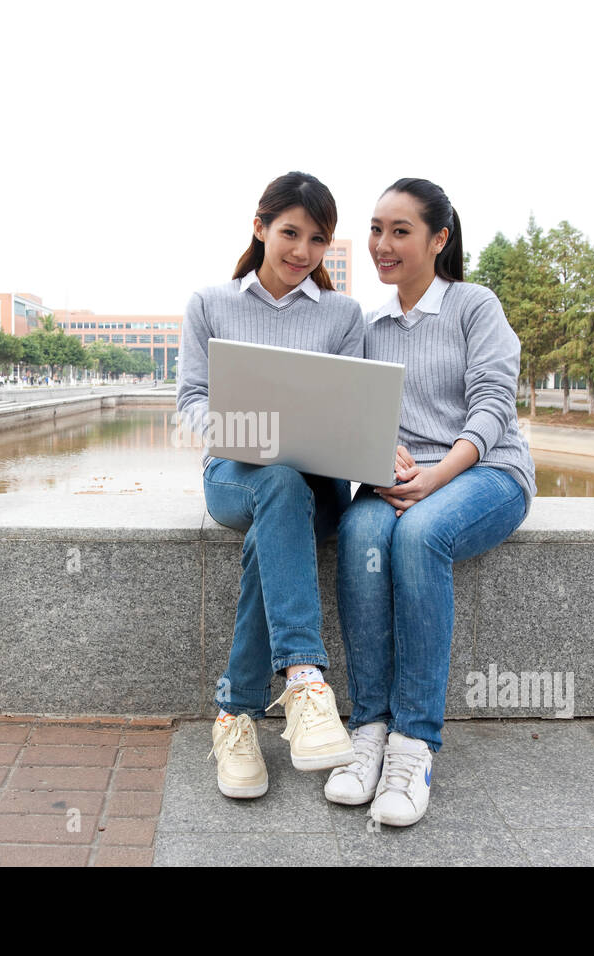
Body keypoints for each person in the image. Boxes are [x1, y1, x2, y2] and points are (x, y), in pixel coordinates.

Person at [326, 178, 536, 827]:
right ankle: (368, 730)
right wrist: (381, 455)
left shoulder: (474, 306)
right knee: (360, 535)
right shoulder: (368, 324)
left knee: (420, 536)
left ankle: (413, 743)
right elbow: (355, 411)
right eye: (375, 228)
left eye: (400, 230)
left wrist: (436, 477)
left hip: (483, 471)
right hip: (398, 478)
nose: (381, 244)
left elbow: (494, 407)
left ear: (438, 239)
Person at [177, 171, 364, 800]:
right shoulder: (210, 304)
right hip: (234, 475)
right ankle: (307, 684)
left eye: (317, 239)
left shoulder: (343, 316)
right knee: (275, 482)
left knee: (286, 488)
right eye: (289, 232)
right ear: (260, 228)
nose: (302, 251)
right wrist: (243, 429)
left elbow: (355, 411)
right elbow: (192, 403)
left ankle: (235, 716)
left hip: (318, 490)